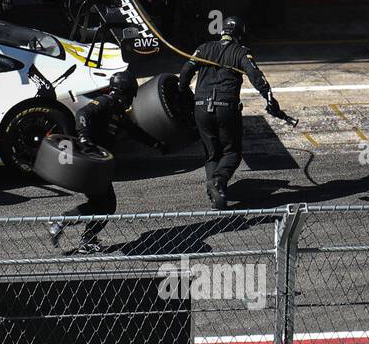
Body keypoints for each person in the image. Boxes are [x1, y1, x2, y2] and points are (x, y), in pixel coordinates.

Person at [48, 71, 163, 254]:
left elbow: (134, 131)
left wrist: (156, 143)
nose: (130, 99)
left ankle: (83, 237)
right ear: (125, 92)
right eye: (130, 94)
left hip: (99, 164)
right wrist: (85, 138)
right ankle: (63, 223)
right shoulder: (105, 102)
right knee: (105, 205)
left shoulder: (118, 112)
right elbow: (82, 114)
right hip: (89, 161)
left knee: (105, 204)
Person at [178, 16, 279, 210]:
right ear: (240, 34)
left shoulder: (204, 48)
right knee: (232, 152)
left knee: (211, 153)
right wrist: (270, 100)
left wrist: (184, 94)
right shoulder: (241, 52)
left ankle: (215, 193)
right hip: (226, 107)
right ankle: (218, 182)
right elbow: (257, 77)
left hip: (200, 107)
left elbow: (184, 73)